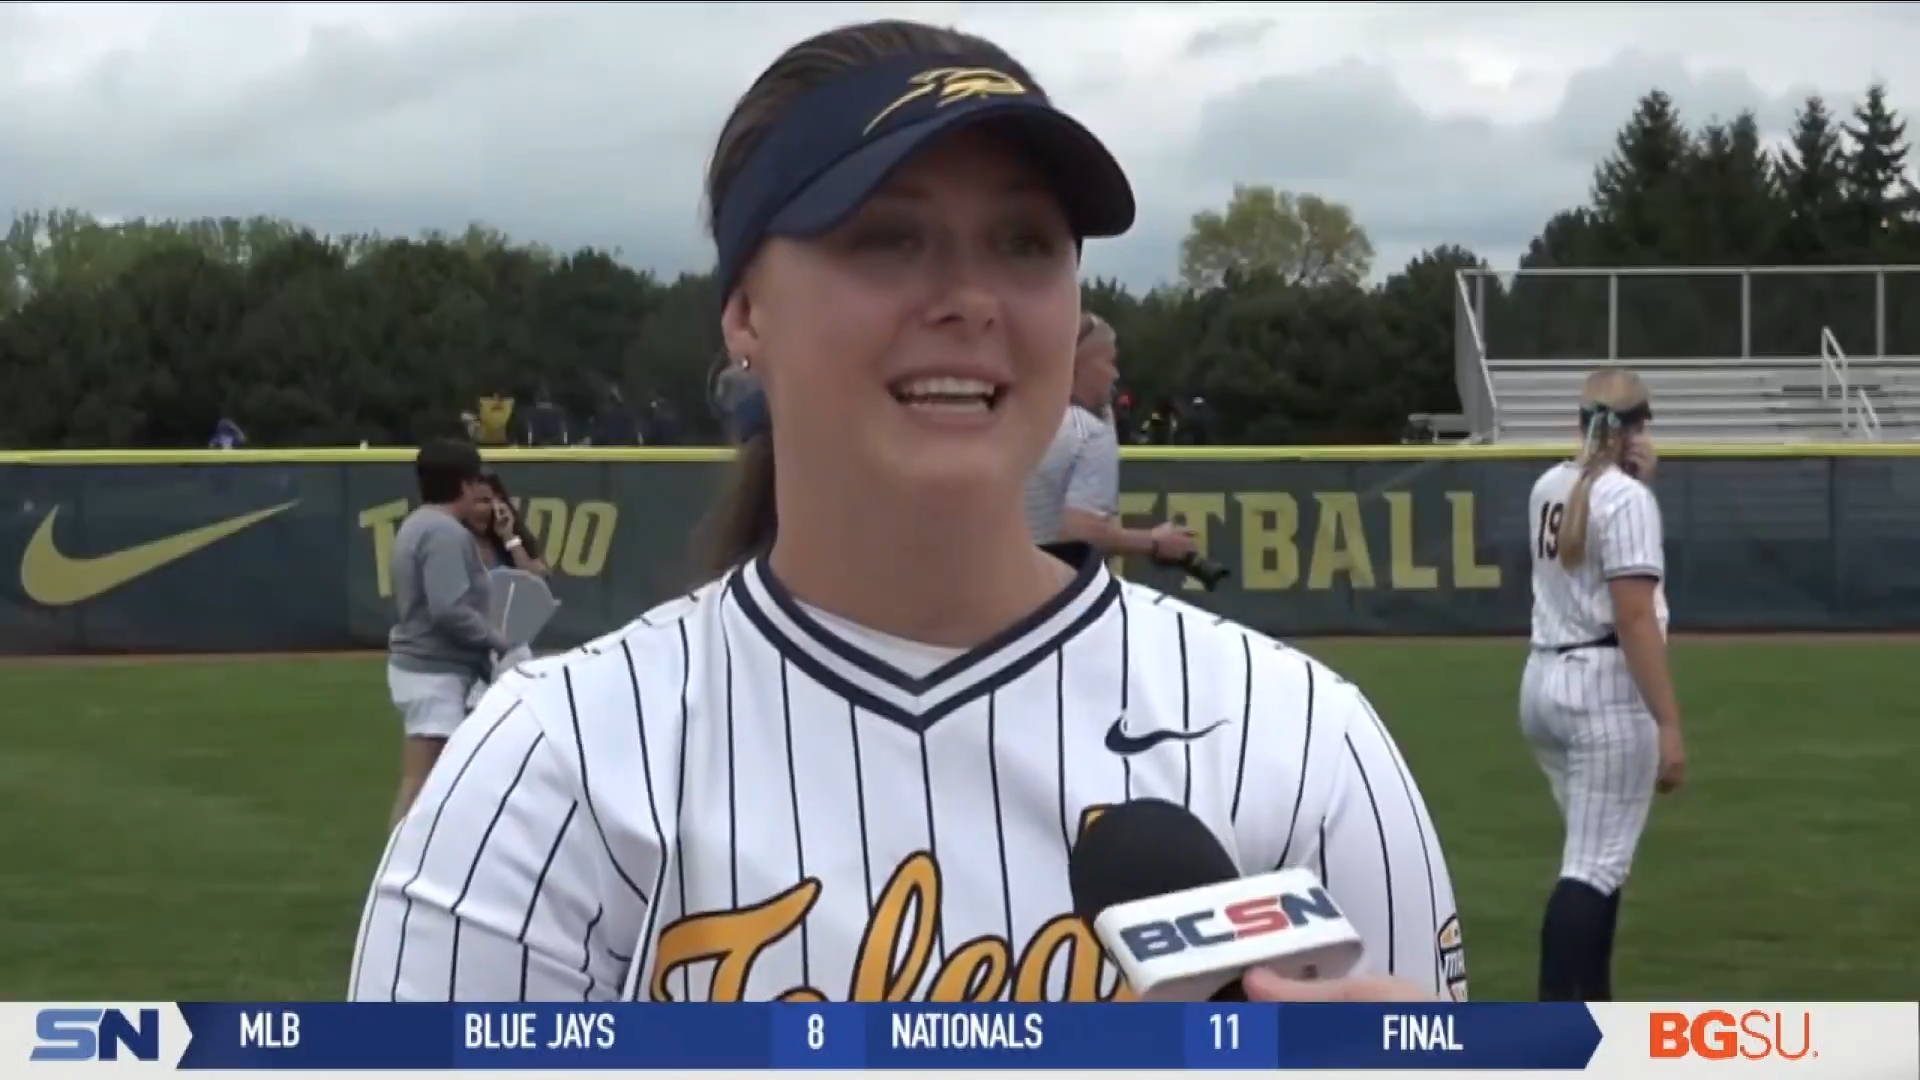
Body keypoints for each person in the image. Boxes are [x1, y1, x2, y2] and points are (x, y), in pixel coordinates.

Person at [350, 19, 1459, 1005]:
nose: (970, 298)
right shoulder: (556, 759)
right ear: (745, 311)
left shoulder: (1299, 740)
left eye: (1024, 242)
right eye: (886, 235)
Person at [1521, 368, 1686, 1002]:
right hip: (1603, 689)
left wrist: (1633, 482)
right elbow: (1635, 615)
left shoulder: (1547, 486)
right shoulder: (1626, 499)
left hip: (1544, 681)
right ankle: (1561, 1032)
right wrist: (1668, 721)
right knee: (1591, 868)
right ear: (1637, 427)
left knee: (1594, 860)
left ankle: (1594, 1014)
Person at [382, 440, 512, 827]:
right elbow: (449, 609)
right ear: (466, 483)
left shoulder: (418, 523)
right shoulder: (444, 533)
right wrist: (497, 639)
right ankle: (396, 874)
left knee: (434, 783)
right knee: (423, 783)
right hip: (433, 672)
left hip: (427, 670)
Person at [1023, 312, 1196, 565]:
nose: (1115, 374)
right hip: (1056, 588)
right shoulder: (1088, 433)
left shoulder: (1012, 422)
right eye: (1109, 361)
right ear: (1078, 364)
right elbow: (1080, 530)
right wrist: (1155, 541)